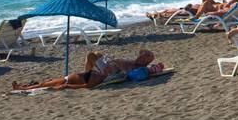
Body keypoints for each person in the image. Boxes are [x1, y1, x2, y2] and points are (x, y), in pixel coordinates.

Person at [13, 49, 155, 92]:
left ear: (146, 60)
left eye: (144, 56)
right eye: (141, 54)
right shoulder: (134, 62)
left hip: (106, 72)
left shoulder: (136, 67)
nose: (140, 55)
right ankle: (23, 88)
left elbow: (127, 74)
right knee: (96, 54)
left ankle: (24, 88)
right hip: (99, 72)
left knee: (91, 55)